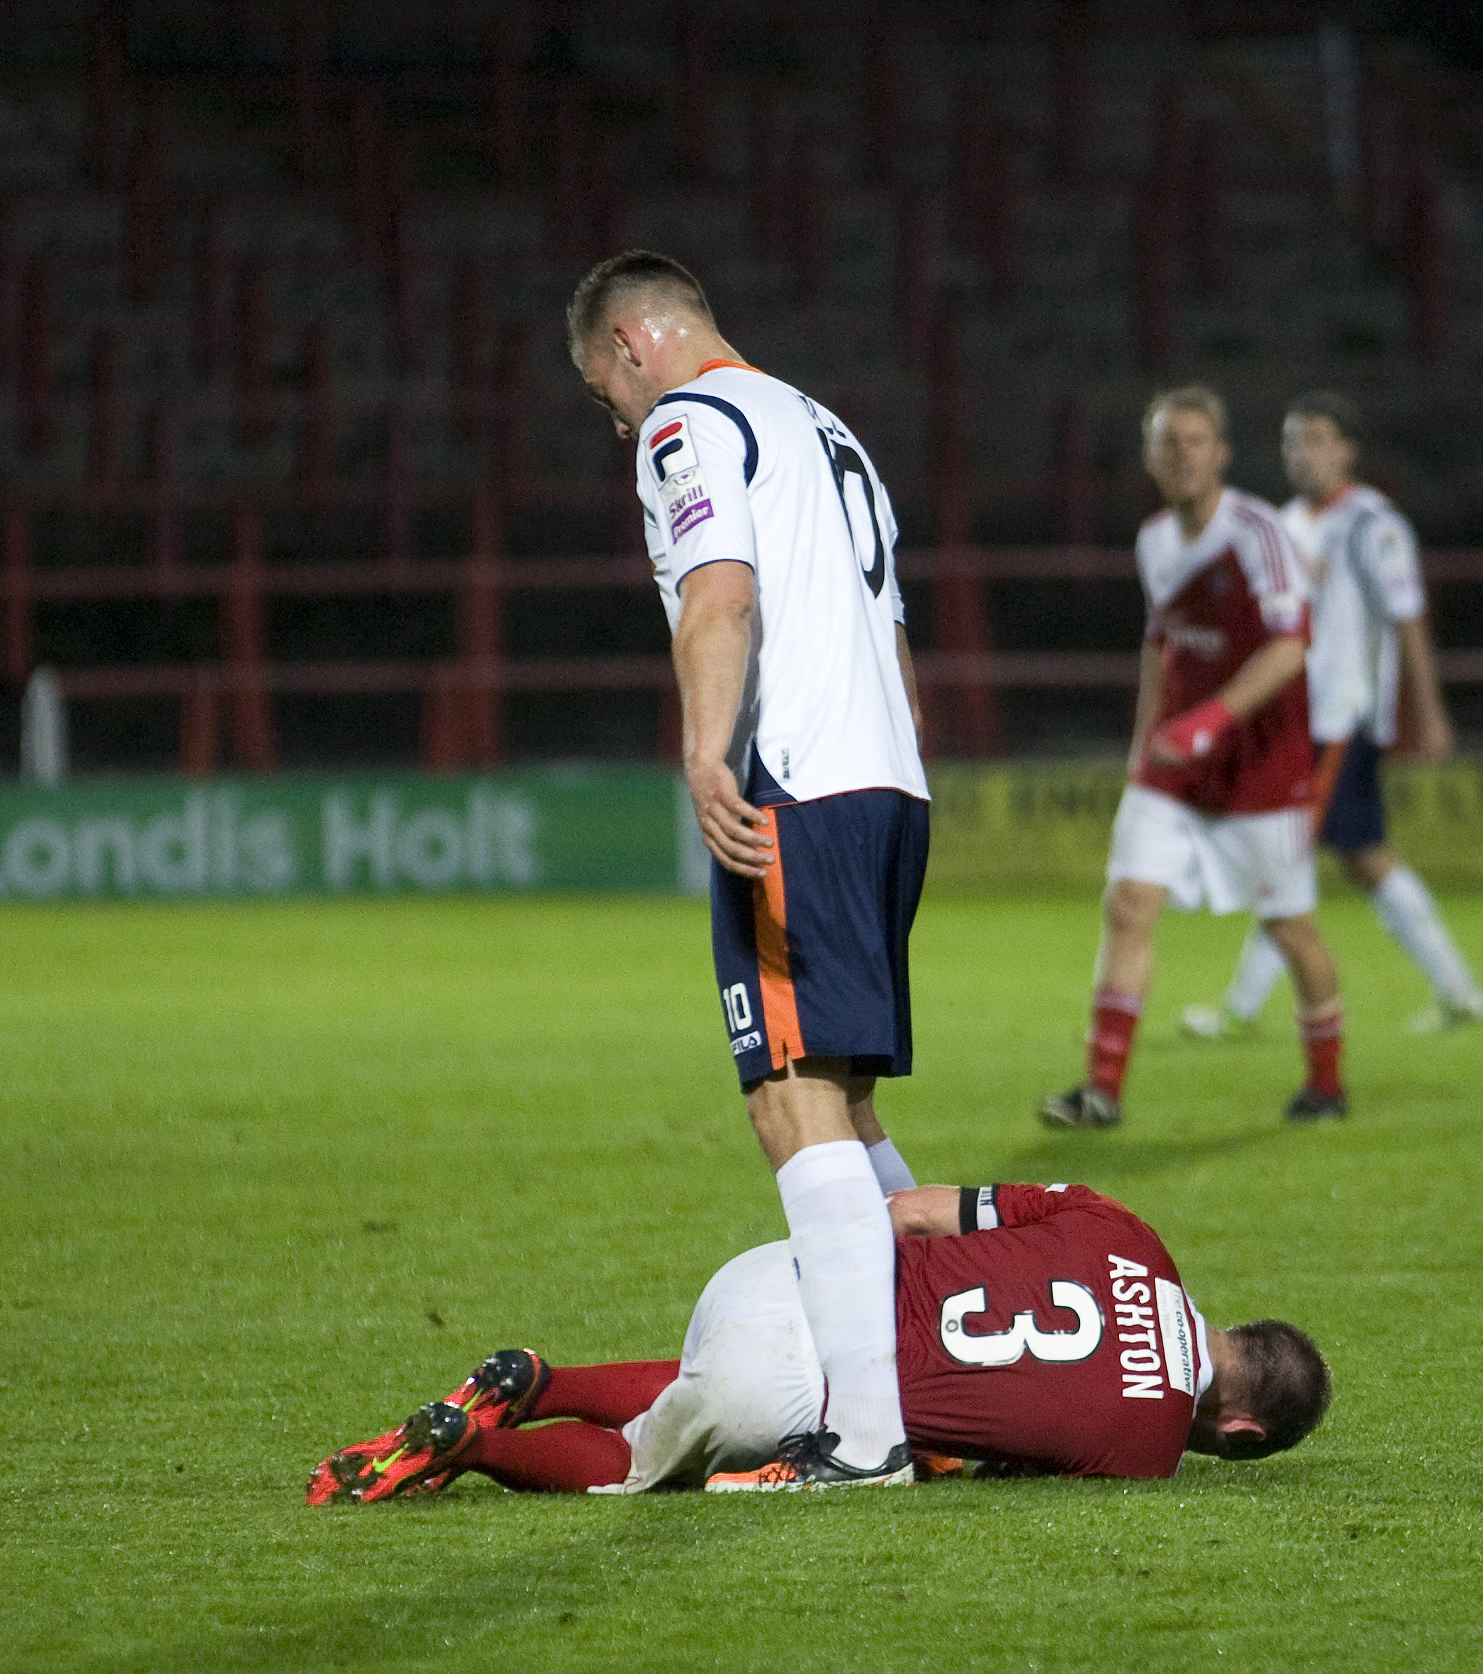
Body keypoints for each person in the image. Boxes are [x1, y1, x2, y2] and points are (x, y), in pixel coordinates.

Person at [566, 251, 930, 1488]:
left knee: (790, 1099)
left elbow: (720, 597)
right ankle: (956, 1354)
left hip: (798, 784)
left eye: (600, 390)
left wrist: (703, 752)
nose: (613, 417)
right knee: (847, 1099)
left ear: (629, 344)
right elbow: (886, 630)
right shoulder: (830, 429)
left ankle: (874, 1438)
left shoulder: (686, 421)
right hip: (886, 782)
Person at [307, 1180, 1331, 1500]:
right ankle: (477, 1445)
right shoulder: (1145, 1452)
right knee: (644, 1463)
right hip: (791, 1392)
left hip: (778, 1267)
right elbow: (975, 1454)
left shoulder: (1128, 1231)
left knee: (728, 1378)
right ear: (1236, 1430)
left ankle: (538, 1376)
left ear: (1231, 1325)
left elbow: (920, 1212)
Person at [1040, 385, 1349, 1129]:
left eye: (1195, 440)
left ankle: (1325, 1084)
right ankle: (1100, 1091)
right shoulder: (1152, 540)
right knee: (1127, 904)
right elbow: (1161, 647)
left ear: (1221, 454)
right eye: (1167, 442)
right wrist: (1144, 742)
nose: (1181, 454)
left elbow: (1287, 648)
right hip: (1172, 766)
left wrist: (1208, 721)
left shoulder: (1257, 532)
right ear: (1148, 458)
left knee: (1289, 928)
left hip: (1259, 766)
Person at [1182, 393, 1483, 1040]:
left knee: (1287, 858)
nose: (1303, 453)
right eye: (1294, 441)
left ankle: (1238, 1010)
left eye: (1318, 439)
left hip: (1338, 719)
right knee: (1359, 858)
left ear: (1348, 449)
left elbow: (1407, 621)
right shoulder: (1287, 524)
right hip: (1295, 722)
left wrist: (1427, 713)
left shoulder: (1372, 525)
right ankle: (1458, 991)